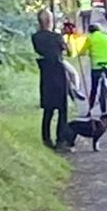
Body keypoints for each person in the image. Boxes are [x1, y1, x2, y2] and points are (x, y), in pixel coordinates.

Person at [32, 10, 70, 149]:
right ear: (50, 21)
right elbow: (68, 51)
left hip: (46, 73)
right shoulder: (56, 37)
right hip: (58, 72)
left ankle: (46, 138)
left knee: (48, 108)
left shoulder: (35, 37)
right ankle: (61, 139)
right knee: (62, 108)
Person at [83, 23, 107, 113]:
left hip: (96, 66)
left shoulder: (90, 38)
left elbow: (83, 51)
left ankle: (90, 109)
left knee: (94, 88)